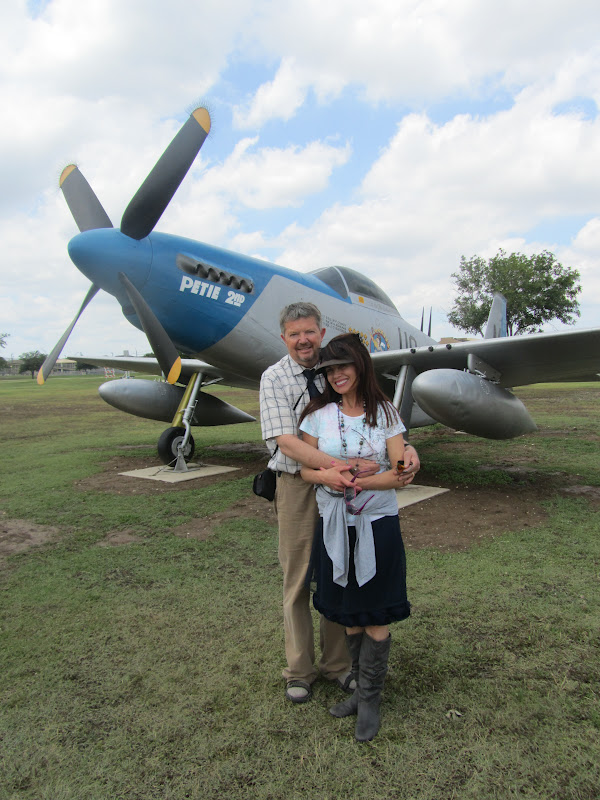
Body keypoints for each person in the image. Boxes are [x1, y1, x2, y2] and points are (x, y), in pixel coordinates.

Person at [259, 302, 419, 705]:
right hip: (299, 481)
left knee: (337, 572)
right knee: (298, 578)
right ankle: (299, 669)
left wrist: (405, 451)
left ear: (321, 333)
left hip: (346, 489)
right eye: (294, 334)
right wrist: (340, 468)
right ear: (284, 338)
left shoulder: (335, 370)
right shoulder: (275, 377)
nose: (303, 339)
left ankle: (337, 665)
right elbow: (288, 442)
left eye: (309, 331)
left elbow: (368, 423)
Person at [298, 332, 411, 741]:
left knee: (376, 613)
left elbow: (399, 472)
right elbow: (306, 471)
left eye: (343, 366)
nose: (336, 376)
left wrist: (365, 483)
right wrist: (330, 473)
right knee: (348, 612)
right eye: (329, 370)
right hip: (334, 526)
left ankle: (370, 700)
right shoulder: (316, 417)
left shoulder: (386, 414)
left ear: (360, 366)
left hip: (377, 526)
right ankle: (359, 691)